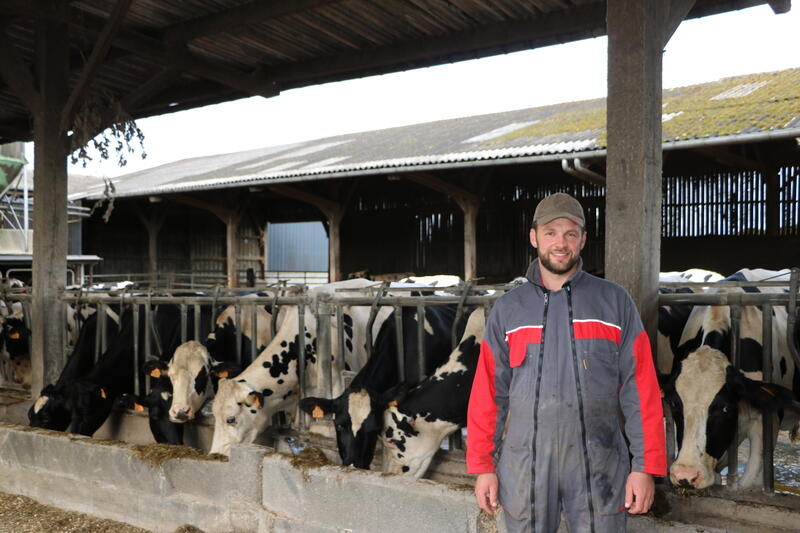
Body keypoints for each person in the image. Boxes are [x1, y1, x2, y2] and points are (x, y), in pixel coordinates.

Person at [466, 192, 666, 533]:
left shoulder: (614, 302)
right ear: (534, 237)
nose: (561, 243)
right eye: (551, 232)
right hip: (525, 463)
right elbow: (488, 393)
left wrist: (645, 467)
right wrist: (484, 466)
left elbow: (641, 388)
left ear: (583, 240)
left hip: (599, 461)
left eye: (571, 233)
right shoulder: (508, 309)